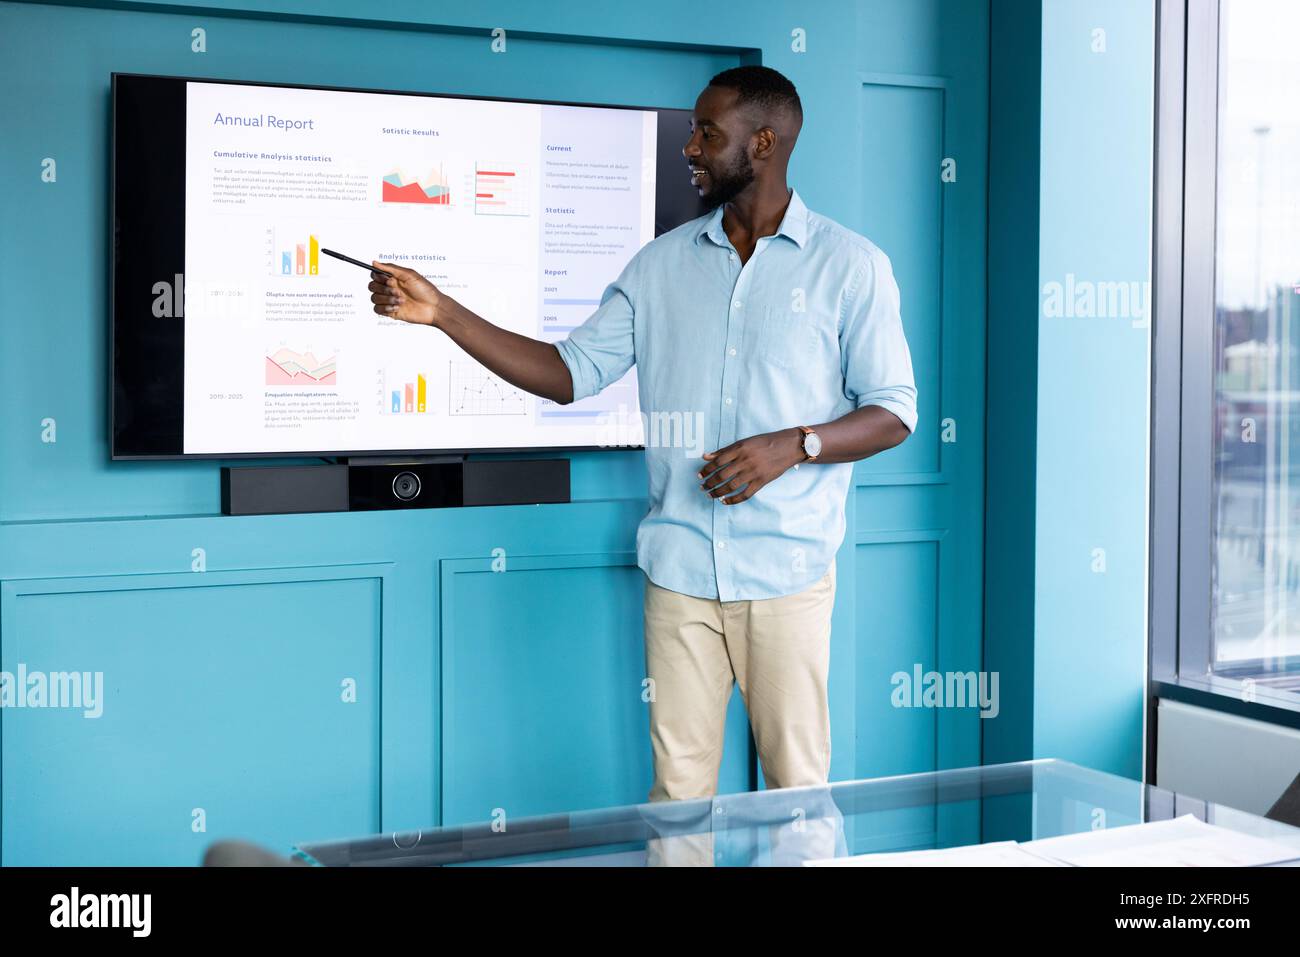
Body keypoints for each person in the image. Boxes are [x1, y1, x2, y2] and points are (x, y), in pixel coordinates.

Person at [366, 65, 916, 846]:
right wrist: (445, 312)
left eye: (706, 133)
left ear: (763, 143)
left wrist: (795, 444)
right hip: (680, 576)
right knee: (675, 801)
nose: (689, 146)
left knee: (798, 799)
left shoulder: (851, 266)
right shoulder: (659, 266)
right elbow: (567, 374)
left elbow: (894, 412)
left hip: (787, 578)